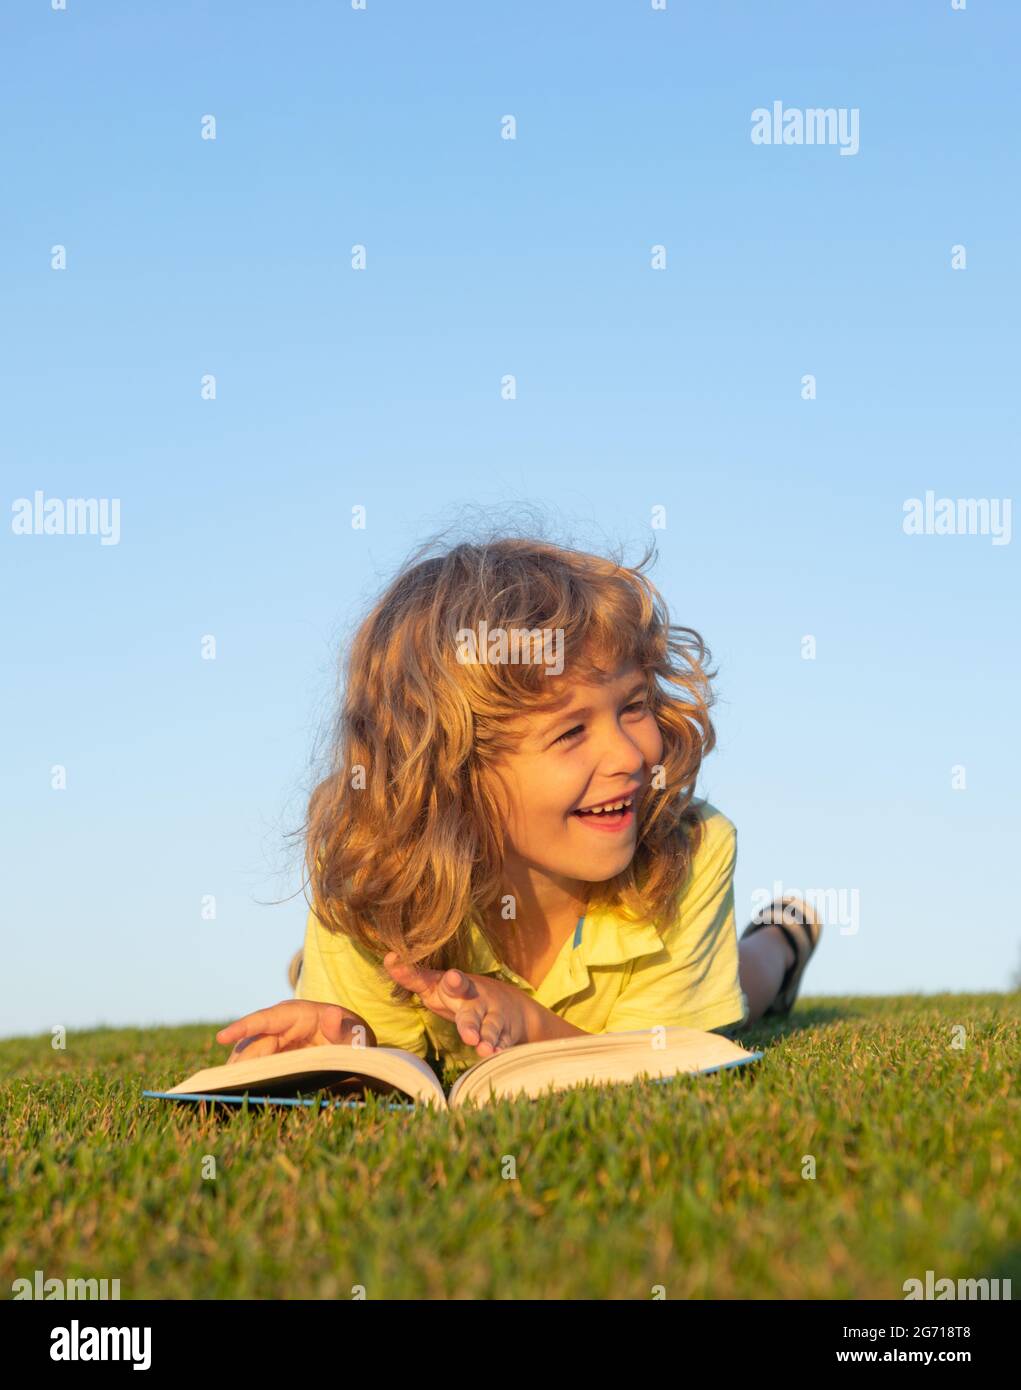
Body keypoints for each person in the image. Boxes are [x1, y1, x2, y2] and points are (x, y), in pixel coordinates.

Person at [216, 533, 822, 1073]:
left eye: (633, 706)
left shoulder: (690, 850)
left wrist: (531, 1027)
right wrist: (344, 1040)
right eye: (571, 732)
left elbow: (664, 1058)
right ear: (455, 776)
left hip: (673, 991)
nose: (630, 757)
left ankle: (782, 938)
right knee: (348, 994)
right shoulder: (377, 885)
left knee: (746, 987)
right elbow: (383, 1057)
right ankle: (311, 968)